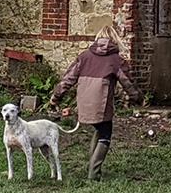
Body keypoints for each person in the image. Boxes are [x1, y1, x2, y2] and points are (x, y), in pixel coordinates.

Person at [53, 33, 138, 179]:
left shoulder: (84, 56)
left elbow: (68, 79)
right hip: (102, 103)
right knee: (105, 132)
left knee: (99, 129)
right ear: (114, 40)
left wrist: (56, 97)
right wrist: (137, 98)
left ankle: (92, 167)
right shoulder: (116, 60)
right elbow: (127, 82)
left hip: (84, 102)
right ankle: (94, 172)